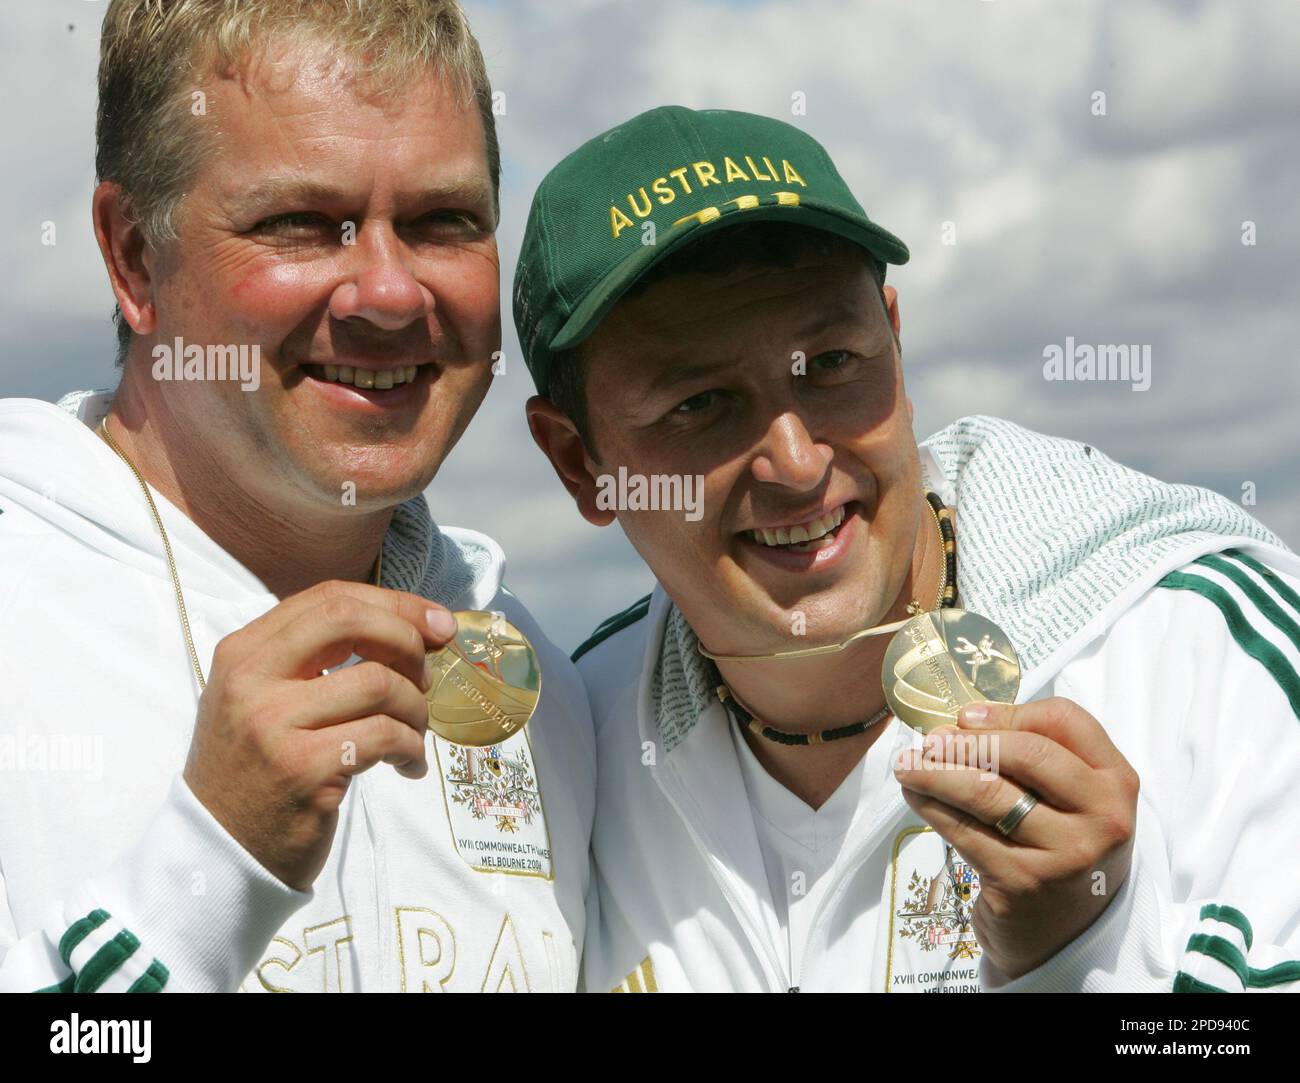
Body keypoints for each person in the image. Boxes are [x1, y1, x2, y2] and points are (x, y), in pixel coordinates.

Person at [515, 104, 1300, 992]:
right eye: (699, 404)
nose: (798, 462)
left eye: (835, 361)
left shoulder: (1205, 652)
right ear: (579, 462)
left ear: (896, 335)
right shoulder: (571, 743)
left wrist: (1077, 958)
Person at [0, 0, 592, 993]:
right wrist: (209, 867)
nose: (390, 292)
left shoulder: (542, 696)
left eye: (444, 220)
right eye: (302, 225)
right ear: (134, 256)